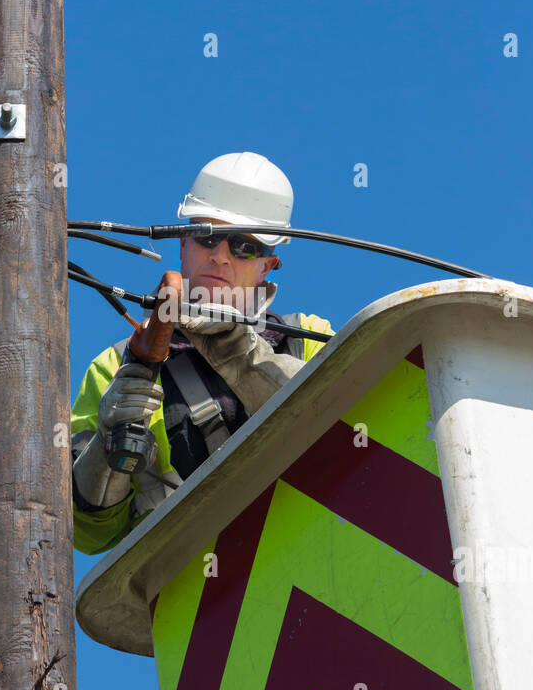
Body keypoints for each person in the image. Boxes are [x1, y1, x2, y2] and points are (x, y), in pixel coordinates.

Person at [70, 152, 335, 555]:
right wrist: (107, 450)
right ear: (182, 243)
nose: (220, 255)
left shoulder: (308, 338)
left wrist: (239, 352)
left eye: (244, 246)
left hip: (313, 562)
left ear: (268, 265)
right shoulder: (116, 368)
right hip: (193, 596)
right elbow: (88, 534)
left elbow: (341, 440)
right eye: (207, 236)